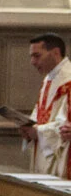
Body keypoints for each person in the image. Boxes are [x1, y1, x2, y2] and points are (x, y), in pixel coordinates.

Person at [19, 33, 71, 176]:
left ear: (55, 53)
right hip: (44, 151)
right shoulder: (49, 78)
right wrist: (28, 129)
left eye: (37, 56)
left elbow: (65, 126)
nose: (32, 62)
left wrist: (38, 132)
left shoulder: (68, 80)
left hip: (62, 157)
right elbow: (40, 115)